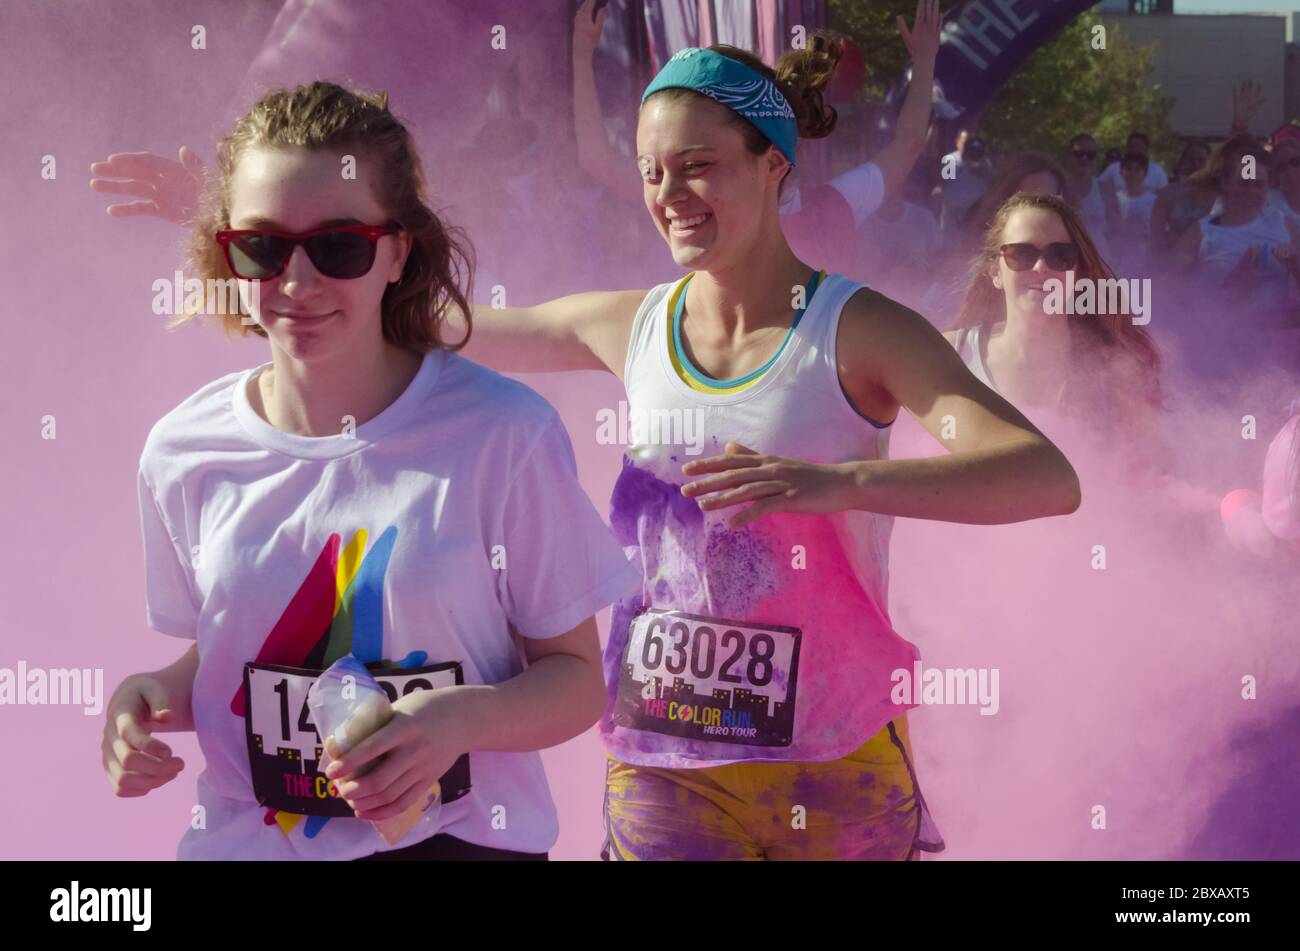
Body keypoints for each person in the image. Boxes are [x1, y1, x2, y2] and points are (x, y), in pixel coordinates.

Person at [453, 23, 1080, 859]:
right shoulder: (630, 327)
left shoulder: (858, 330)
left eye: (697, 165)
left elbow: (1044, 477)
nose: (667, 192)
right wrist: (308, 270)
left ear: (773, 165)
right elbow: (446, 329)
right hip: (666, 761)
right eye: (651, 170)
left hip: (836, 757)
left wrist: (837, 482)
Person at [102, 81, 640, 861]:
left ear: (398, 251)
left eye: (339, 246)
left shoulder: (503, 434)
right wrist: (148, 695)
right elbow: (234, 656)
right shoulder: (181, 449)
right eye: (262, 246)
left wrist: (454, 720)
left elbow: (575, 679)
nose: (296, 282)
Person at [945, 192, 1163, 470]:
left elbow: (1152, 474)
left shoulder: (1116, 368)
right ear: (995, 272)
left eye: (1060, 256)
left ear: (1077, 272)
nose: (1040, 268)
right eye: (1020, 254)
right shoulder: (949, 355)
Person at [1111, 151, 1158, 277]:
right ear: (1121, 172)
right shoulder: (1113, 200)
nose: (1133, 173)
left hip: (1145, 264)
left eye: (1138, 169)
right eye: (1129, 168)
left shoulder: (1154, 201)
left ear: (1145, 173)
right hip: (1117, 263)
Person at [1098, 131, 1169, 194]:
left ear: (1145, 148)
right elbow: (1098, 188)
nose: (1134, 148)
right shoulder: (1113, 168)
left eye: (1137, 145)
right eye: (1131, 145)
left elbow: (1164, 196)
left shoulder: (1158, 171)